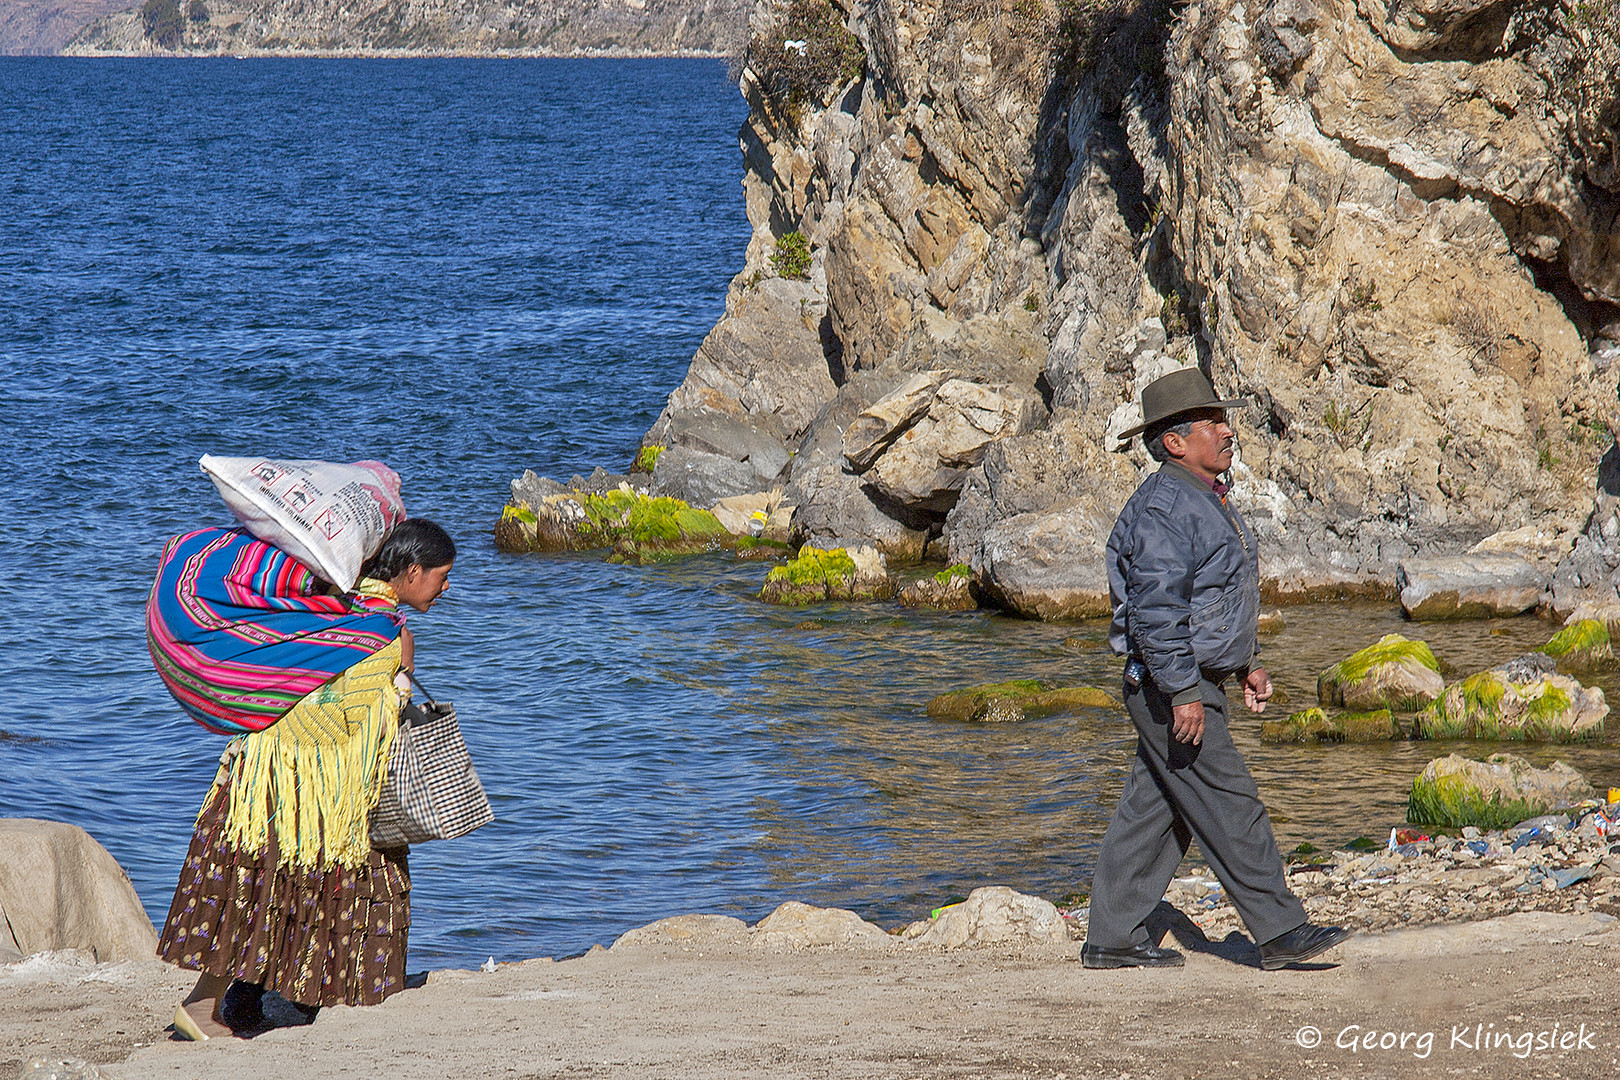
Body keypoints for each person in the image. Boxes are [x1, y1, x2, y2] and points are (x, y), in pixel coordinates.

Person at [1082, 368, 1347, 971]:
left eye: (1224, 420)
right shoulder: (1168, 508)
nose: (1229, 432)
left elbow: (1213, 598)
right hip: (1168, 685)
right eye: (1215, 423)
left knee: (1158, 810)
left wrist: (1246, 664)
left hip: (1189, 682)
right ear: (1175, 441)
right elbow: (1155, 611)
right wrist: (1182, 691)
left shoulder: (1205, 496)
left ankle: (1113, 937)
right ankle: (1281, 932)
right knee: (1230, 802)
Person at [155, 518, 456, 1039]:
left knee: (262, 889)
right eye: (441, 575)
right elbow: (368, 727)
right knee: (351, 886)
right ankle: (221, 1007)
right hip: (316, 791)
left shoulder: (325, 605)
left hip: (261, 777)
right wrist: (403, 675)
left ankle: (235, 1003)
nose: (446, 586)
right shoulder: (385, 635)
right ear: (411, 572)